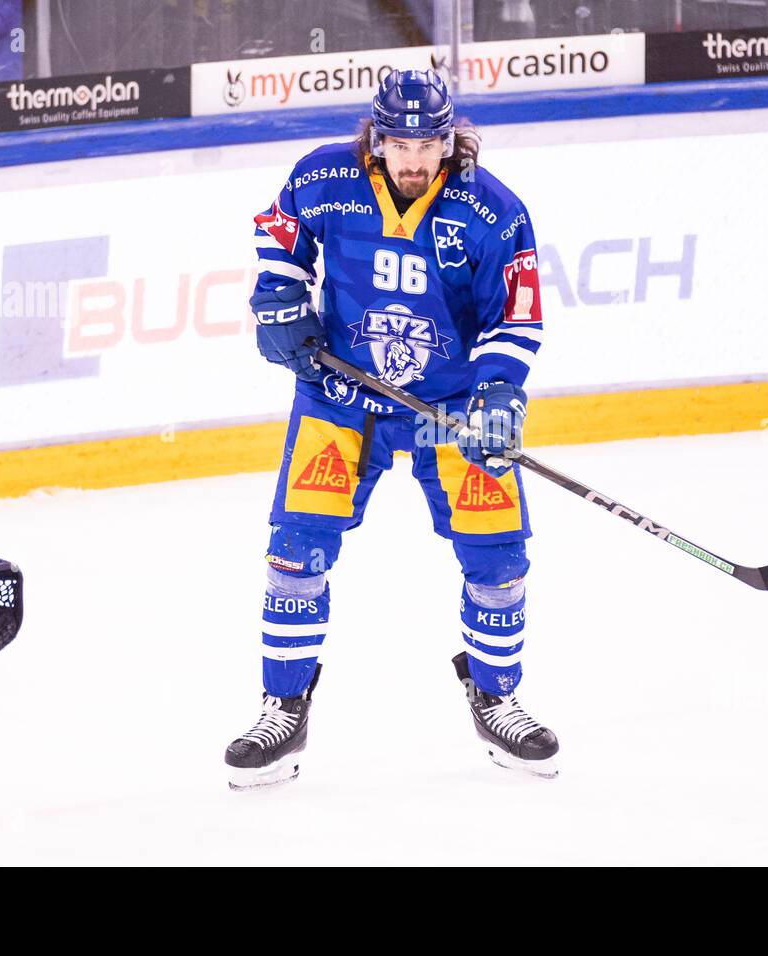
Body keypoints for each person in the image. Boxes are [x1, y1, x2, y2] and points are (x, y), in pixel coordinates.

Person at [225, 69, 559, 788]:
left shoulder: (492, 211)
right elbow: (280, 238)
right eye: (399, 142)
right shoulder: (325, 177)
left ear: (449, 140)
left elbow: (518, 313)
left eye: (427, 142)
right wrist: (280, 298)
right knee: (295, 554)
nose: (412, 158)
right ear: (375, 137)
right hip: (340, 398)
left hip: (452, 412)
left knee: (499, 564)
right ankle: (282, 708)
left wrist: (498, 391)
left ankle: (497, 697)